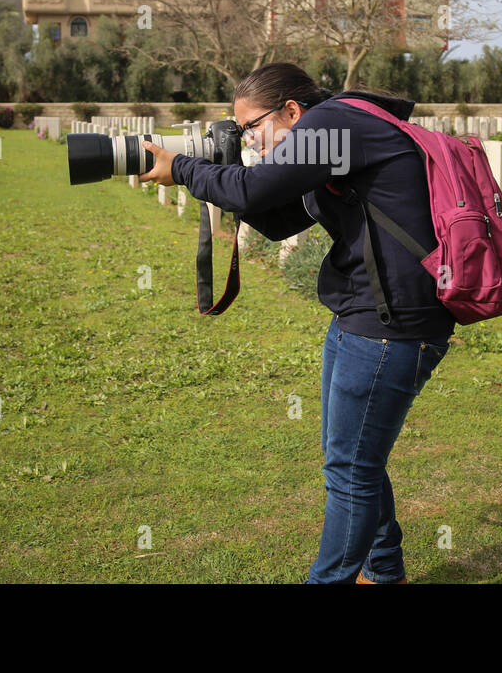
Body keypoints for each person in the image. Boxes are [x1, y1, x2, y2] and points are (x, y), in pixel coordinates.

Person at [137, 62, 455, 584]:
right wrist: (219, 180)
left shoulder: (335, 126)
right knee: (353, 458)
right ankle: (384, 570)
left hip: (391, 323)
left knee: (350, 469)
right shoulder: (334, 137)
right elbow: (282, 216)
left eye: (252, 128)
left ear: (290, 110)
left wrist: (189, 170)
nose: (250, 141)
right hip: (363, 315)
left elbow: (254, 190)